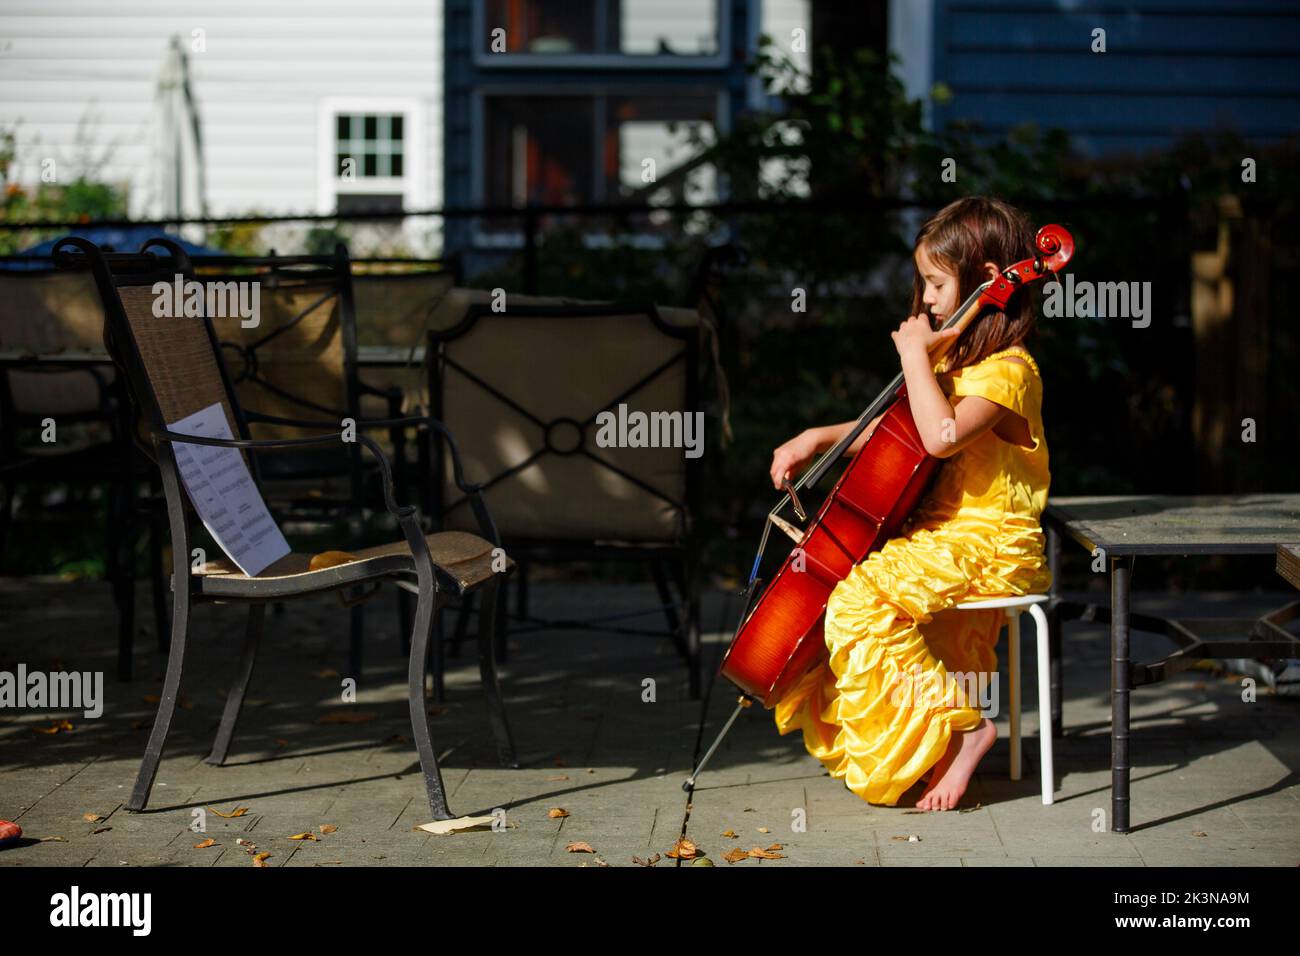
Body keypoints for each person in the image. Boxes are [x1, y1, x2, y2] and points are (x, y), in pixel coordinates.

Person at [767, 196, 1052, 811]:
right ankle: (938, 744)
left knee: (856, 604)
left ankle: (965, 727)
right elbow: (903, 434)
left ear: (984, 281)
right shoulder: (955, 359)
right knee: (840, 600)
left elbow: (940, 436)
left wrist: (912, 359)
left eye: (935, 282)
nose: (923, 298)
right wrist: (820, 437)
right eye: (923, 281)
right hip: (941, 534)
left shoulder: (1010, 371)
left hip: (990, 539)